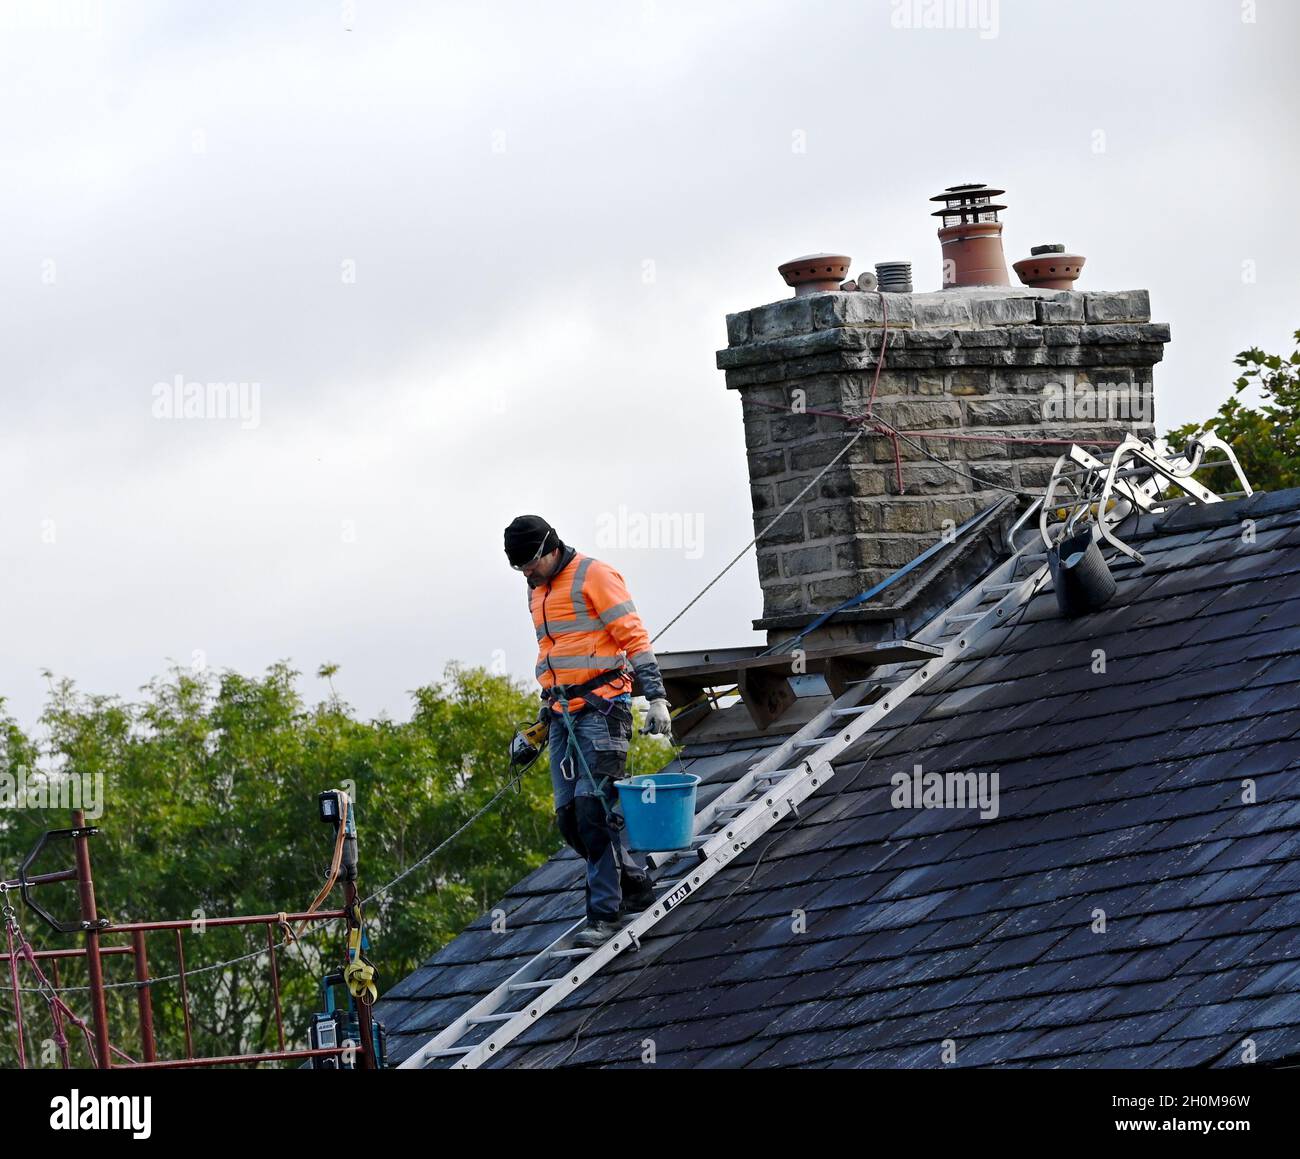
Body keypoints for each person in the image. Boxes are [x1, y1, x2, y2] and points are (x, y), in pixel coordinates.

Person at [504, 514, 673, 947]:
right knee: (570, 822)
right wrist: (542, 721)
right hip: (561, 714)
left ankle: (604, 916)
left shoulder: (594, 575)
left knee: (593, 813)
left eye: (529, 563)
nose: (526, 572)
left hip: (604, 709)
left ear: (551, 547)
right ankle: (634, 885)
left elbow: (634, 637)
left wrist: (655, 698)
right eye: (518, 567)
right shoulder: (535, 590)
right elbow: (554, 652)